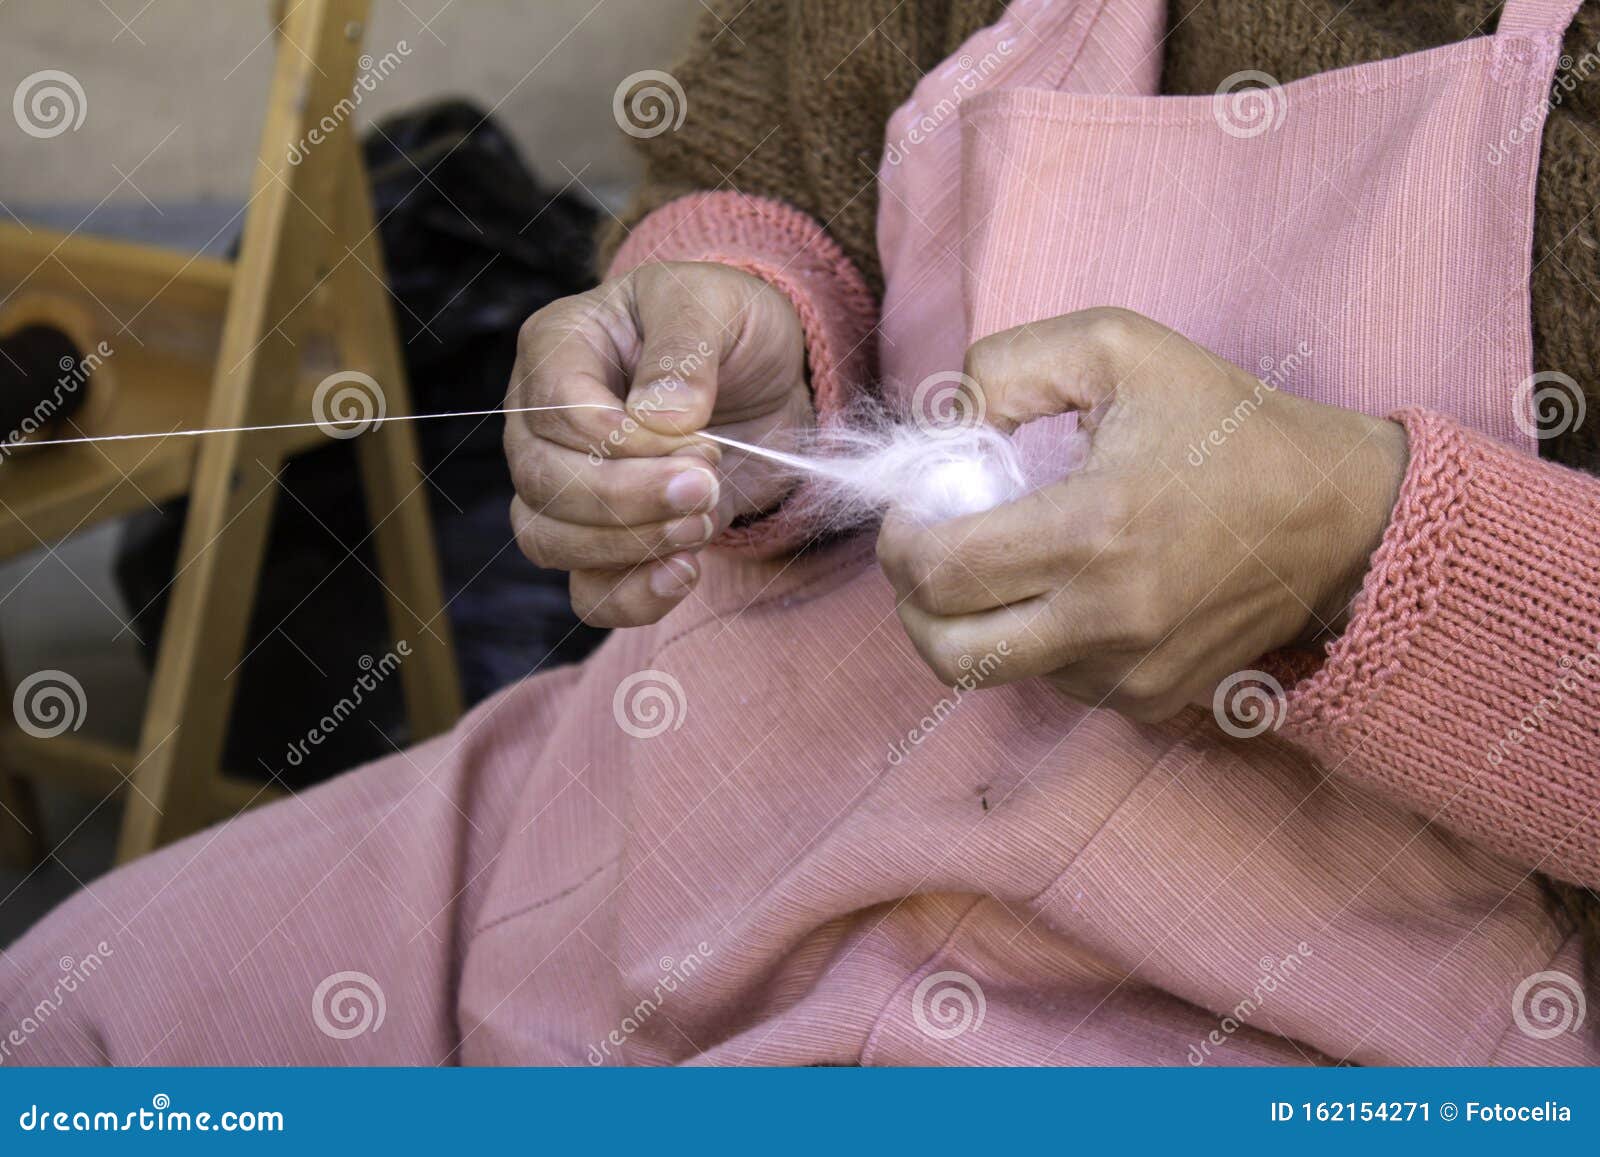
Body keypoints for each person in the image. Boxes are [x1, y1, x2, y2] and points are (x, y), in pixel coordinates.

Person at [3, 0, 1597, 1066]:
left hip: (1307, 1009)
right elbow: (766, 144)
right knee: (68, 1027)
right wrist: (746, 309)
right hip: (732, 790)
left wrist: (1360, 546)